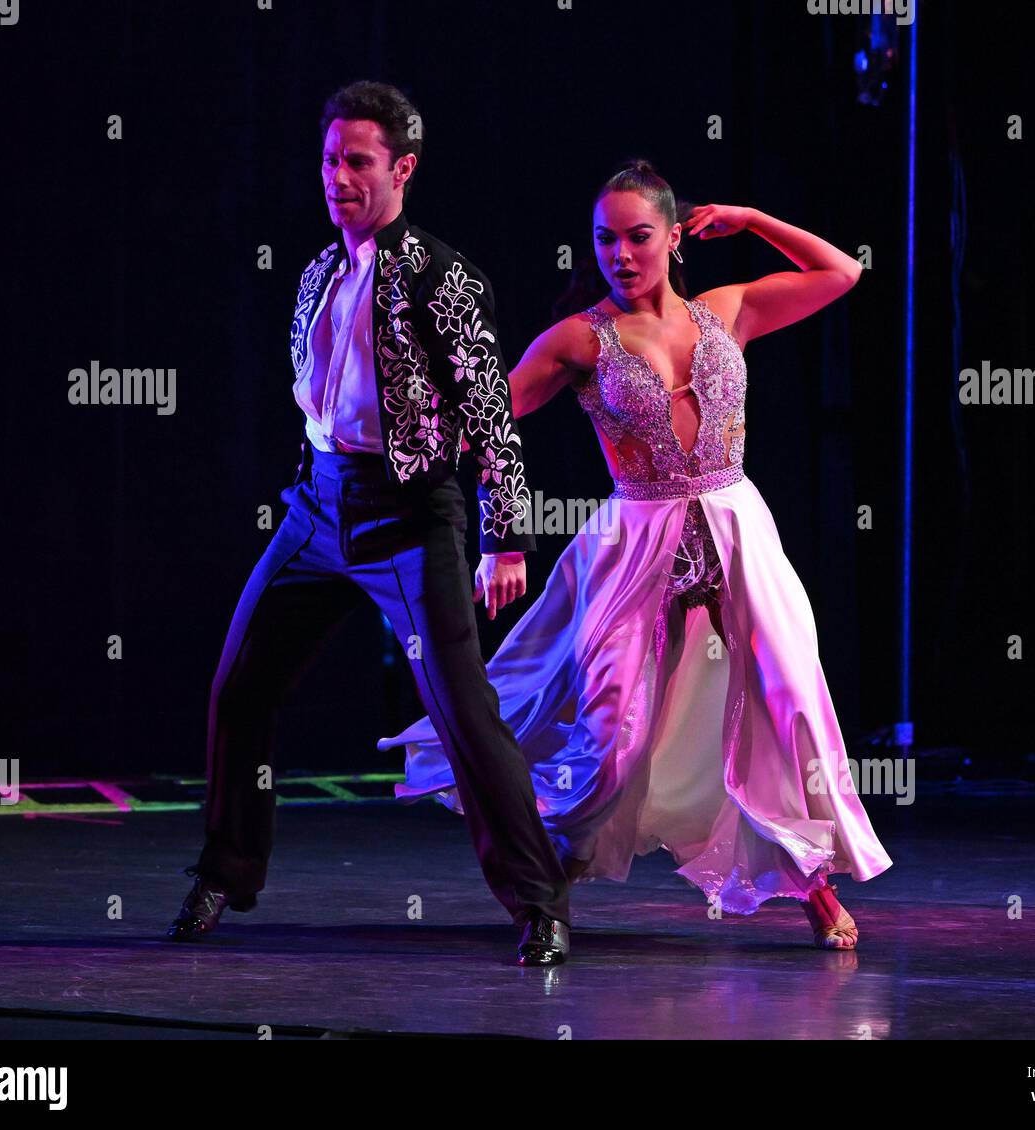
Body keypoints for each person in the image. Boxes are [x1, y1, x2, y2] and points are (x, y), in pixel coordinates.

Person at [380, 160, 892, 949]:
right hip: (635, 542)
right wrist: (475, 510)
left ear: (675, 237)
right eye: (604, 239)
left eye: (638, 237)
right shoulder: (582, 338)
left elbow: (842, 271)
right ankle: (556, 868)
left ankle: (809, 879)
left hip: (736, 527)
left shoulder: (729, 310)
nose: (619, 253)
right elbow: (488, 419)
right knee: (615, 733)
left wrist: (752, 217)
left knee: (788, 696)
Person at [167, 81, 570, 966]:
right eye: (329, 159)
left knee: (465, 715)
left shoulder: (443, 277)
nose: (339, 176)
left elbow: (493, 420)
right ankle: (226, 871)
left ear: (403, 169)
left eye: (358, 160)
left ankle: (540, 902)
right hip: (318, 510)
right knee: (240, 686)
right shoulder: (315, 273)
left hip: (411, 518)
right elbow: (321, 402)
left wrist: (507, 536)